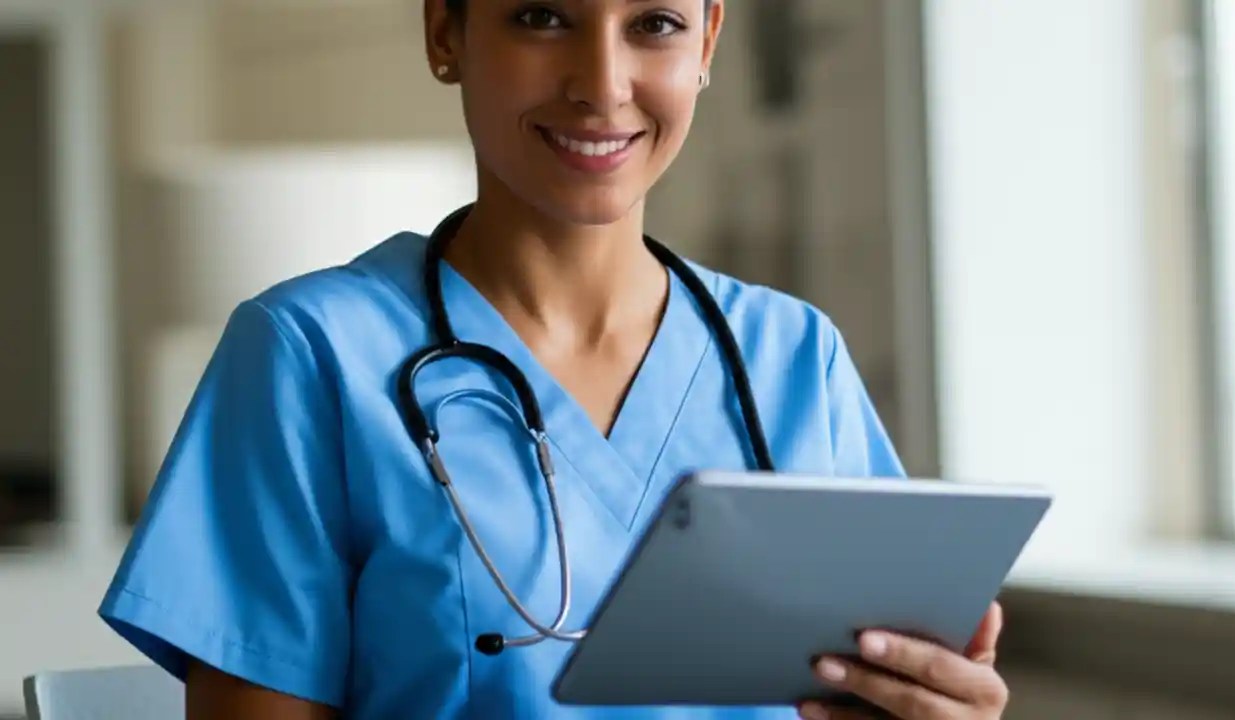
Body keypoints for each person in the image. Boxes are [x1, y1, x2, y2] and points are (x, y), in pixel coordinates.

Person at [98, 0, 1011, 718]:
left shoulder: (795, 357)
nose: (602, 85)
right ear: (444, 31)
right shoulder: (310, 356)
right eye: (541, 17)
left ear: (707, 42)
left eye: (653, 24)